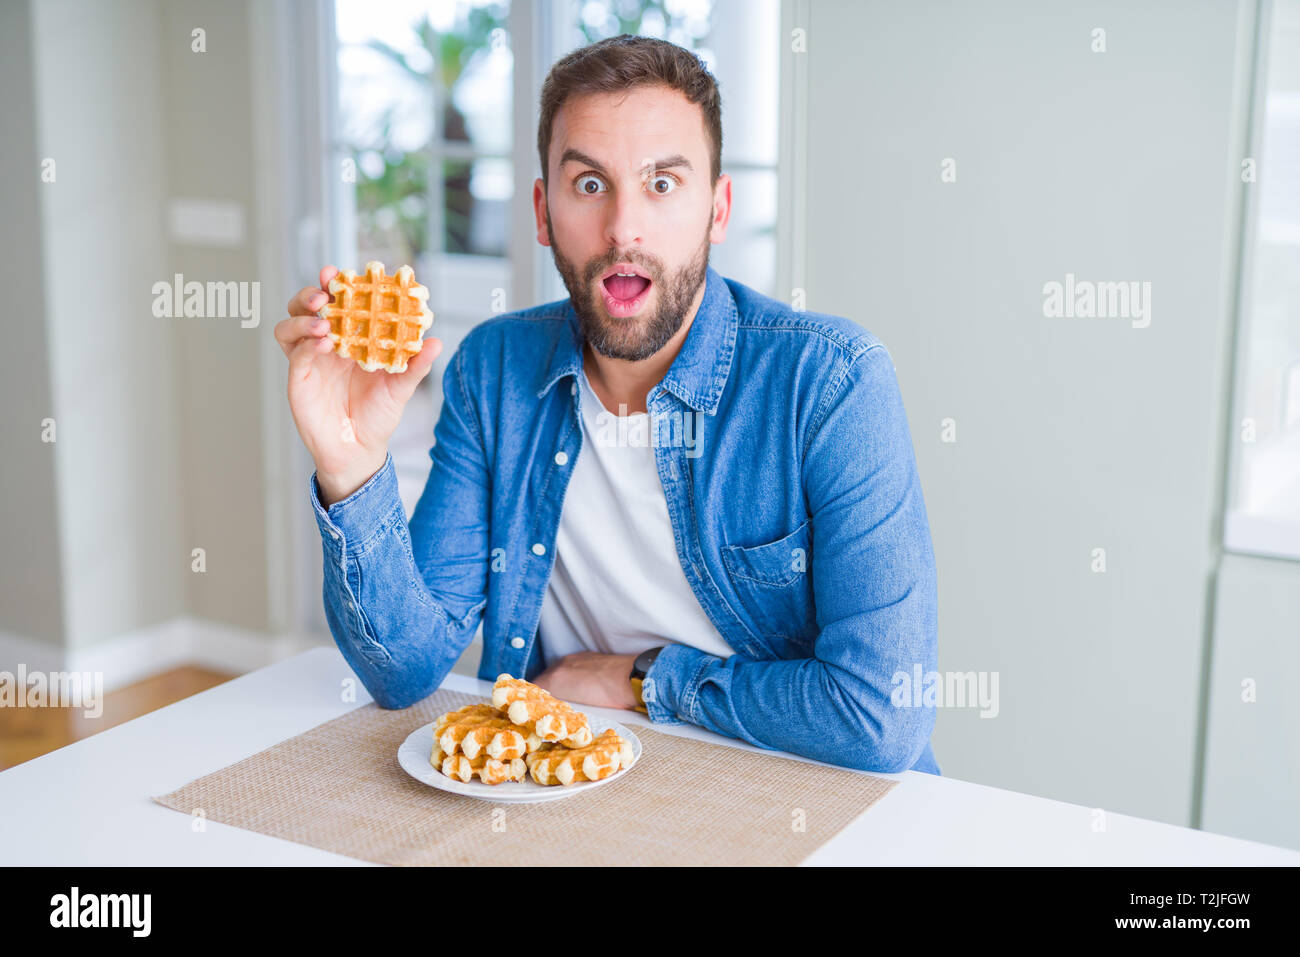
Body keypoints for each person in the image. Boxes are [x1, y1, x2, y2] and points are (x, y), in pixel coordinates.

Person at [275, 34, 940, 775]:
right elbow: (404, 670)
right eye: (590, 184)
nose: (625, 227)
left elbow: (881, 715)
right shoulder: (493, 373)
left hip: (799, 795)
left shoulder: (832, 385)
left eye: (663, 183)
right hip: (573, 790)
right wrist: (352, 466)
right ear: (543, 210)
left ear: (717, 209)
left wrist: (641, 678)